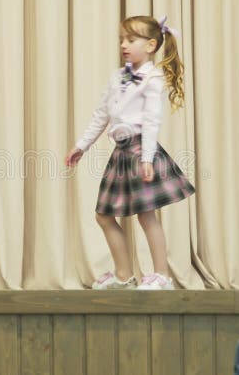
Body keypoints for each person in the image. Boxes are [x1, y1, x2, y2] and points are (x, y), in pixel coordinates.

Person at [65, 15, 195, 290]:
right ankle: (124, 275)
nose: (124, 44)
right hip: (121, 152)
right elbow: (101, 115)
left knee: (146, 214)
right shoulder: (118, 77)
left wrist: (147, 159)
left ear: (150, 45)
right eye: (122, 39)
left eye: (131, 39)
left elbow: (151, 120)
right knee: (103, 215)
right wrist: (81, 146)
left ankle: (162, 276)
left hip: (140, 150)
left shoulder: (154, 78)